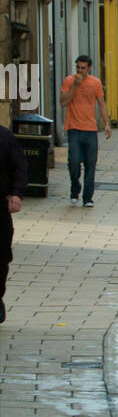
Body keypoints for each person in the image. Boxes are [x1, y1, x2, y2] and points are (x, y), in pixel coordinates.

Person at [60, 55, 111, 207]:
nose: (80, 71)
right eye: (78, 68)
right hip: (74, 128)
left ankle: (88, 198)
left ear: (89, 68)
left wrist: (106, 123)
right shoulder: (69, 81)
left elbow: (101, 104)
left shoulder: (95, 83)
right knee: (74, 162)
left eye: (83, 68)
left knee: (91, 164)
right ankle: (75, 188)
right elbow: (63, 102)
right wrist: (75, 86)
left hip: (90, 129)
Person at [0, 124, 27, 323]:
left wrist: (17, 193)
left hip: (0, 208)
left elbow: (19, 166)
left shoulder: (4, 137)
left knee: (1, 258)